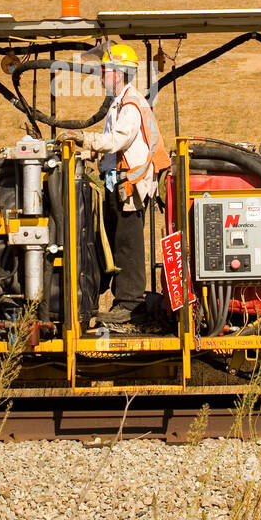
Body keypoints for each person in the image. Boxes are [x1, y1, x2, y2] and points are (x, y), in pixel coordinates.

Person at [67, 42, 169, 325]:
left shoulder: (132, 103)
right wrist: (86, 151)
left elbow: (119, 140)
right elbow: (112, 147)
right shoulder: (121, 102)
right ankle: (112, 299)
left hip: (131, 186)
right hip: (118, 182)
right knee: (111, 243)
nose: (101, 77)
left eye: (104, 71)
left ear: (119, 72)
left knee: (128, 245)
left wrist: (84, 138)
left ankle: (130, 303)